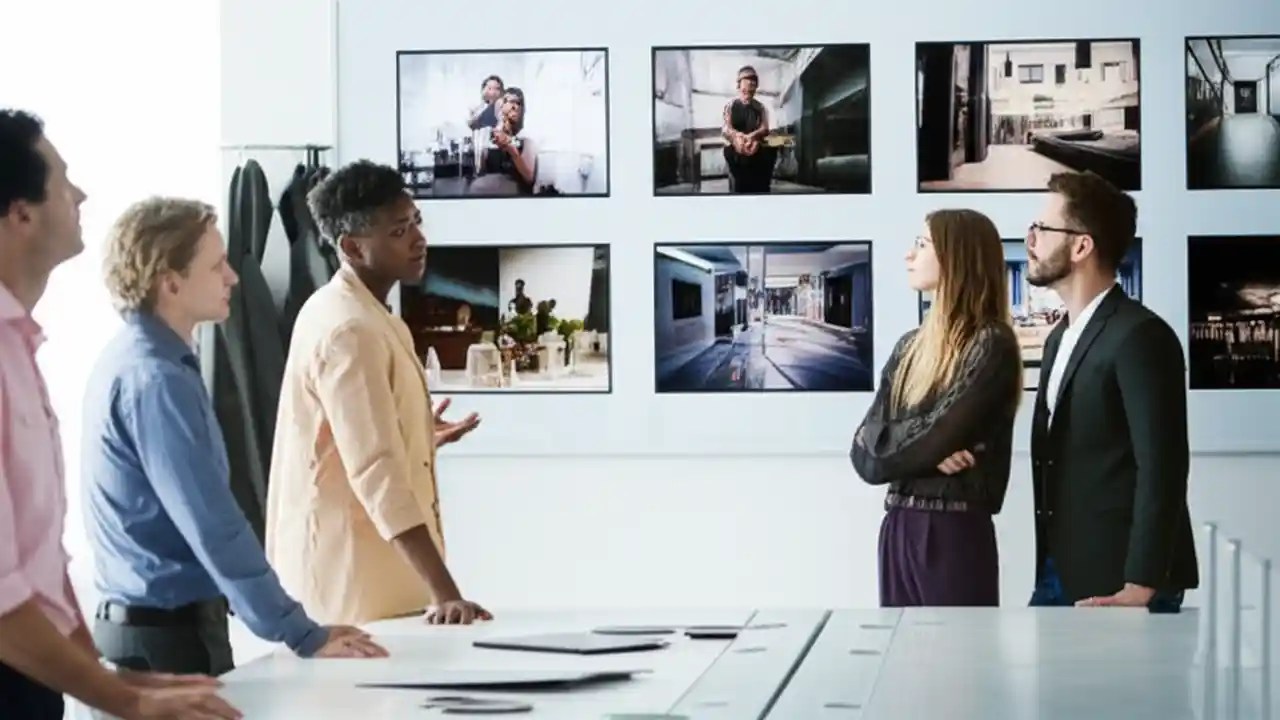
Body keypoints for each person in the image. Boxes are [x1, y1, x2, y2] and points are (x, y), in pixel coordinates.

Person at [80, 197, 389, 677]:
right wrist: (300, 631)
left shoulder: (137, 361)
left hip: (154, 634)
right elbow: (212, 523)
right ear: (171, 282)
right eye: (217, 265)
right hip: (166, 646)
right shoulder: (157, 379)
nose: (233, 277)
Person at [0, 108, 239, 719]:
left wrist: (111, 682)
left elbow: (38, 567)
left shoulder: (21, 345)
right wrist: (120, 697)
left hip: (36, 678)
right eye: (62, 181)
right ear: (20, 212)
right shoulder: (144, 373)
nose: (80, 194)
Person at [266, 160, 490, 626]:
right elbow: (375, 470)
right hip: (353, 587)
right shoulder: (350, 328)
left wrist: (417, 434)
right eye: (398, 231)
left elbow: (354, 440)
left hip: (374, 579)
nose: (418, 239)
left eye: (416, 223)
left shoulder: (368, 314)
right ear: (352, 247)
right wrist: (446, 593)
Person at [1025, 171, 1197, 611]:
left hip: (1123, 585)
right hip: (1058, 571)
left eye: (1042, 229)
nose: (1031, 240)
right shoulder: (1057, 339)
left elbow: (1163, 466)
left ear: (1081, 246)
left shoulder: (1140, 335)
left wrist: (1140, 585)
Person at [850, 208, 1022, 607]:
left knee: (957, 665)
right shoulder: (909, 347)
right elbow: (864, 455)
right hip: (897, 525)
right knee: (903, 663)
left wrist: (918, 442)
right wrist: (929, 452)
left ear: (956, 257)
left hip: (952, 530)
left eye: (922, 244)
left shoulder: (990, 343)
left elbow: (934, 435)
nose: (909, 256)